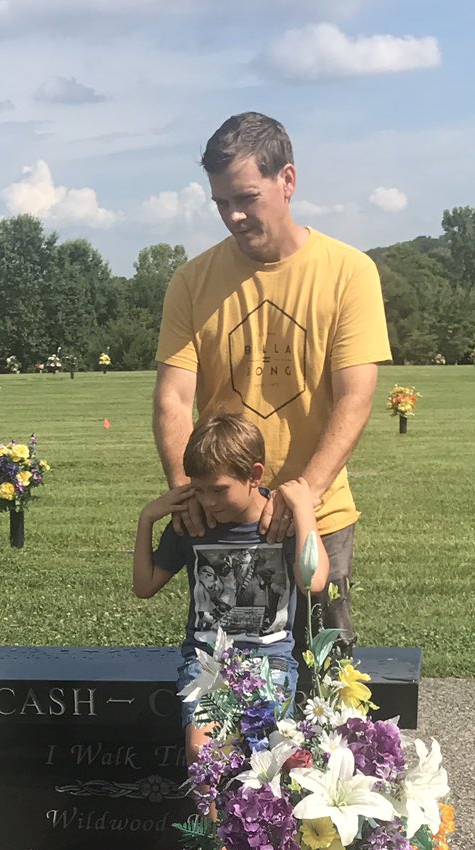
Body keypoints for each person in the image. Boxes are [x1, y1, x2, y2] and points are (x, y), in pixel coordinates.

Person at [153, 111, 390, 643]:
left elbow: (355, 396)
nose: (233, 216)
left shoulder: (349, 272)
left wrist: (305, 490)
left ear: (287, 180)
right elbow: (173, 397)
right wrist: (186, 491)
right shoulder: (193, 281)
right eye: (221, 203)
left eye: (245, 198)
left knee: (325, 682)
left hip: (316, 514)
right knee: (231, 681)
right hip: (226, 513)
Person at [132, 413, 326, 764]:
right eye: (198, 488)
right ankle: (208, 822)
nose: (207, 501)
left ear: (254, 475)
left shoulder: (282, 522)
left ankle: (265, 821)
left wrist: (303, 510)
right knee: (204, 753)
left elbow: (314, 580)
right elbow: (144, 586)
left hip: (271, 659)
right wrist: (147, 518)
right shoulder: (192, 525)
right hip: (208, 661)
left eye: (218, 490)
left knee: (275, 756)